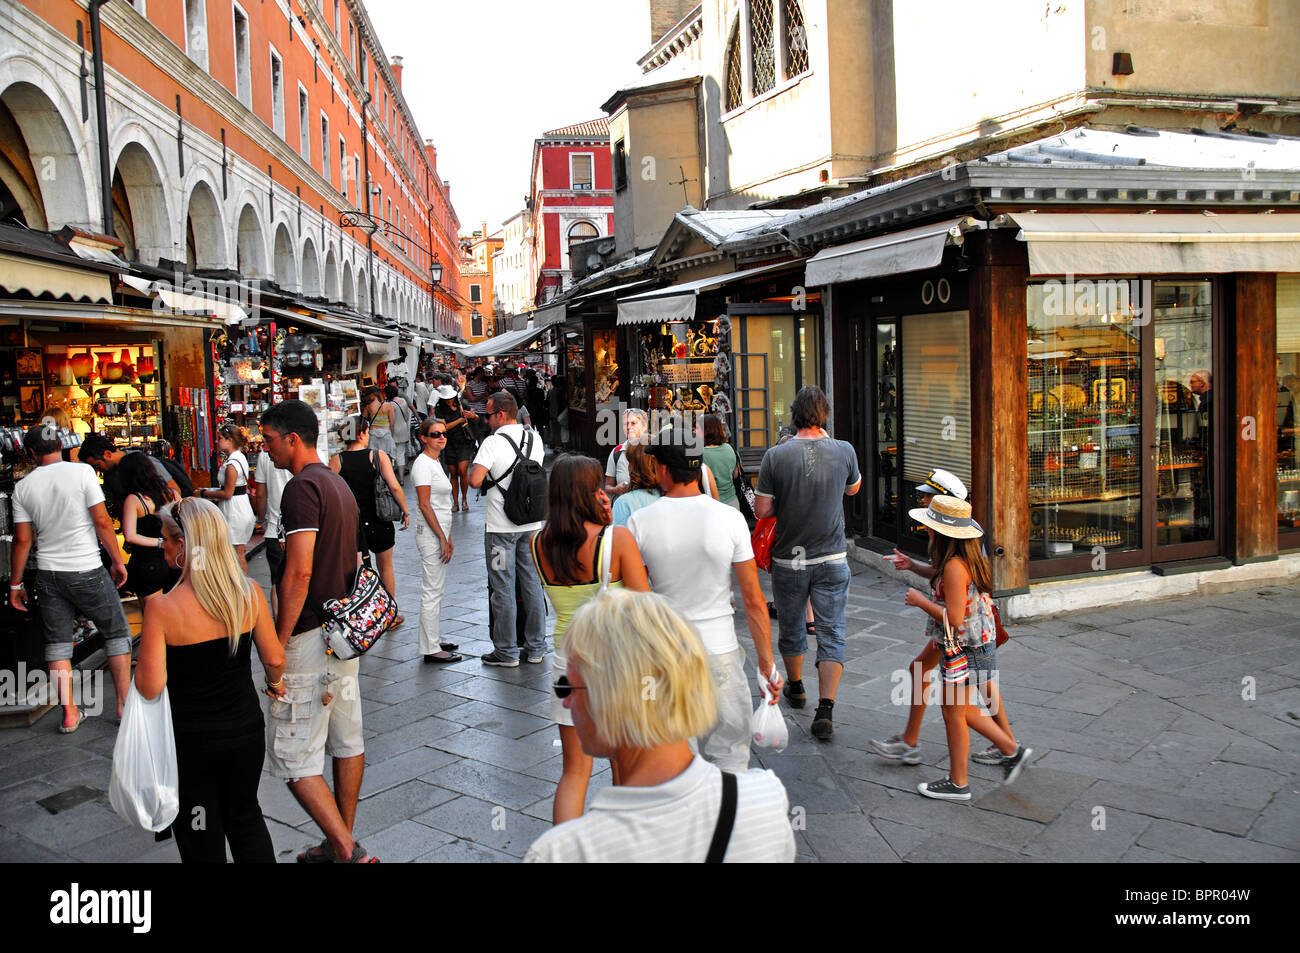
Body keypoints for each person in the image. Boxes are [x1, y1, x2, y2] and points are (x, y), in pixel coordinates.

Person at [524, 589, 795, 863]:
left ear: (614, 696)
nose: (567, 703)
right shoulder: (766, 803)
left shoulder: (562, 852)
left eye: (569, 686)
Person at [135, 498, 284, 863]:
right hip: (244, 732)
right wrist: (275, 683)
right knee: (246, 816)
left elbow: (150, 687)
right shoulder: (248, 593)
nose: (164, 545)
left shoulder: (162, 609)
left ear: (184, 546)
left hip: (191, 742)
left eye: (167, 539)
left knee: (200, 826)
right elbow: (275, 658)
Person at [628, 423, 781, 772]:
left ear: (663, 469)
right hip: (720, 652)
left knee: (676, 759)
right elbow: (754, 600)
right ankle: (727, 822)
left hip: (668, 652)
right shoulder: (730, 519)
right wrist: (766, 664)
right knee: (730, 755)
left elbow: (634, 599)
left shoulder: (640, 522)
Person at [259, 400, 374, 863]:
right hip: (343, 635)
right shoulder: (336, 482)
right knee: (347, 740)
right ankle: (338, 841)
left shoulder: (301, 489)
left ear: (292, 438)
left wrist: (278, 644)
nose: (264, 451)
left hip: (311, 636)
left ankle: (346, 850)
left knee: (292, 756)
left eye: (268, 441)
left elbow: (299, 573)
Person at [530, 455, 651, 823]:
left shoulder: (538, 542)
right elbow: (646, 605)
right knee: (624, 765)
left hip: (567, 665)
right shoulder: (617, 540)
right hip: (613, 663)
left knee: (574, 771)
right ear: (591, 491)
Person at [872, 468, 1018, 767]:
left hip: (964, 629)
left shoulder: (960, 537)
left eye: (927, 497)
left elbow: (955, 592)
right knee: (940, 677)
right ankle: (915, 742)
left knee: (969, 697)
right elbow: (941, 574)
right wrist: (912, 565)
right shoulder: (948, 534)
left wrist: (921, 601)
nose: (922, 501)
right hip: (958, 627)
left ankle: (1007, 747)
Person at [10, 423, 133, 731]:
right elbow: (102, 521)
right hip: (87, 568)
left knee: (58, 644)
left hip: (50, 574)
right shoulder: (82, 473)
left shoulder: (22, 487)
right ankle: (123, 704)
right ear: (61, 446)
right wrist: (117, 561)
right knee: (116, 633)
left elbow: (23, 540)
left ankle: (69, 712)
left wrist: (15, 584)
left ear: (30, 453)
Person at [754, 386, 861, 741]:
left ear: (794, 414)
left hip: (789, 559)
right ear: (824, 414)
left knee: (792, 625)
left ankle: (796, 687)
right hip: (832, 557)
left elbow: (762, 510)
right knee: (832, 630)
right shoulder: (844, 450)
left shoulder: (774, 456)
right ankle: (826, 709)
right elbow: (853, 489)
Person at [468, 391, 548, 667]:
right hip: (532, 525)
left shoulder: (492, 443)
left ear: (501, 414)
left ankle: (506, 651)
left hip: (501, 528)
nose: (486, 420)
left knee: (502, 586)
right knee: (532, 583)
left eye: (488, 415)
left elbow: (475, 481)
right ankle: (536, 646)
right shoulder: (534, 437)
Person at [329, 415, 410, 628]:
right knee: (386, 567)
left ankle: (363, 616)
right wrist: (405, 510)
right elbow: (394, 486)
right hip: (379, 519)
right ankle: (390, 615)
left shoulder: (338, 460)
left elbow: (331, 492)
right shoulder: (377, 456)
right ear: (363, 433)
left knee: (359, 573)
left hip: (353, 524)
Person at [410, 417, 462, 664]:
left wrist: (447, 535)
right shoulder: (423, 465)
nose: (441, 437)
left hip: (439, 531)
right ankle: (429, 647)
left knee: (437, 588)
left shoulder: (434, 461)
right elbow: (424, 504)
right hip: (430, 534)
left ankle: (433, 638)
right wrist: (442, 537)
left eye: (443, 433)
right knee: (431, 590)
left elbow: (440, 505)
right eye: (435, 434)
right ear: (423, 438)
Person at [118, 450, 180, 601]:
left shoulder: (134, 500)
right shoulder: (172, 494)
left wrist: (159, 542)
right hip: (175, 560)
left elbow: (130, 536)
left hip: (148, 562)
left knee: (152, 615)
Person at [78, 433, 181, 518]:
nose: (98, 471)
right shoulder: (110, 475)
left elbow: (174, 490)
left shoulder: (143, 461)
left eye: (97, 466)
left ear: (107, 454)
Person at [199, 424, 256, 573]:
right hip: (239, 506)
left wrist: (204, 493)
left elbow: (227, 493)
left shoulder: (231, 464)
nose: (217, 442)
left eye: (219, 438)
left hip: (234, 510)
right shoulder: (238, 457)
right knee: (237, 552)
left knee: (237, 553)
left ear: (229, 440)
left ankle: (242, 589)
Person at [253, 440, 296, 616]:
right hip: (297, 529)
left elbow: (261, 493)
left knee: (277, 582)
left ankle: (280, 625)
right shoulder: (307, 452)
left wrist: (261, 519)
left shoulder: (264, 455)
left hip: (274, 528)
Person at [433, 383, 478, 512]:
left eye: (450, 398)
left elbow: (476, 418)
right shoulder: (439, 409)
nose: (448, 401)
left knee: (463, 471)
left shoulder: (462, 405)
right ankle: (456, 502)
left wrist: (473, 416)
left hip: (464, 442)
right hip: (449, 443)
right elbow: (444, 427)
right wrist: (459, 420)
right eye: (446, 399)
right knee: (453, 474)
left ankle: (464, 500)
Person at [610, 440, 661, 527]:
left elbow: (617, 538)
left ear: (632, 467)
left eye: (629, 461)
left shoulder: (623, 503)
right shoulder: (671, 496)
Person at [604, 408, 648, 499]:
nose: (628, 427)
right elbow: (608, 486)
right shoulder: (617, 452)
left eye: (633, 423)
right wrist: (615, 490)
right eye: (625, 424)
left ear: (644, 426)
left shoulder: (653, 451)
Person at [701, 414, 742, 512]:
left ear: (706, 431)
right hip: (733, 503)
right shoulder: (730, 448)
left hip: (711, 505)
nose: (693, 431)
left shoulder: (700, 453)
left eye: (697, 428)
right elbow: (736, 474)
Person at [361, 386, 400, 466]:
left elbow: (363, 420)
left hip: (373, 433)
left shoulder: (368, 406)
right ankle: (386, 473)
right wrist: (391, 433)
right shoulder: (388, 406)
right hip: (386, 432)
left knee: (374, 458)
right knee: (386, 457)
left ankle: (377, 475)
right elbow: (392, 422)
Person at [385, 382, 412, 484]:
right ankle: (401, 479)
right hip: (403, 429)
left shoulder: (390, 405)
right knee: (401, 454)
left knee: (391, 455)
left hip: (393, 431)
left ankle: (391, 479)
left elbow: (390, 421)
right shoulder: (403, 401)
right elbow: (406, 416)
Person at [463, 367, 491, 445]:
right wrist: (482, 395)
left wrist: (476, 397)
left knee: (482, 432)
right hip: (473, 412)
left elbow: (487, 397)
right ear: (479, 374)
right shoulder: (469, 384)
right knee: (473, 432)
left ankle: (480, 449)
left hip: (483, 411)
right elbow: (471, 398)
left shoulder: (484, 384)